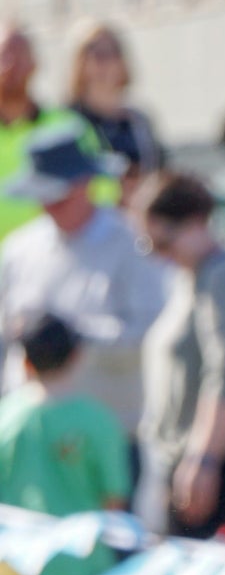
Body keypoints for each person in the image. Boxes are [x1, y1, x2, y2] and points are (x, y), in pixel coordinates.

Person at [0, 120, 168, 446]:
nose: (49, 207)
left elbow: (152, 330)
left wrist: (76, 336)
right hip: (31, 434)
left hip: (107, 433)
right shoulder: (19, 250)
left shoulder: (133, 243)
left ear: (86, 183)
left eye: (57, 196)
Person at [132, 171, 225, 538]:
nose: (160, 257)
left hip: (221, 468)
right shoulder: (195, 275)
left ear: (197, 222)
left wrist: (203, 460)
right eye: (149, 247)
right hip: (189, 461)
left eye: (164, 243)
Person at [0, 313, 131, 575]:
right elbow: (114, 502)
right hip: (86, 573)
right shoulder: (99, 421)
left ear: (24, 361)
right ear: (76, 356)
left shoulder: (6, 418)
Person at [0, 22, 84, 245]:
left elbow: (98, 194)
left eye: (19, 55)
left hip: (57, 264)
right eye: (3, 56)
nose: (10, 65)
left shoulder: (68, 127)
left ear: (35, 63)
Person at [65, 19, 162, 190]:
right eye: (96, 52)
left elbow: (157, 172)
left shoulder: (137, 121)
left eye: (114, 52)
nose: (107, 62)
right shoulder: (68, 121)